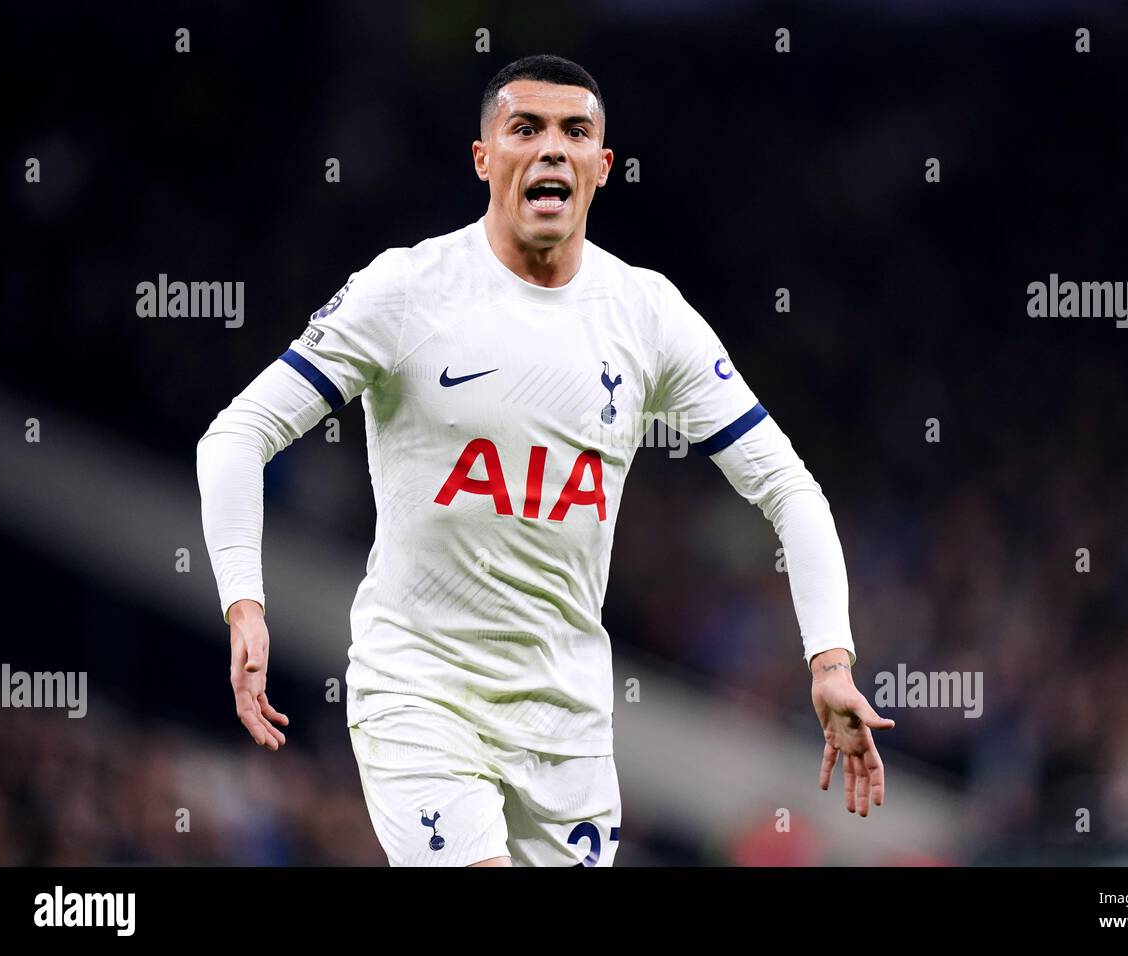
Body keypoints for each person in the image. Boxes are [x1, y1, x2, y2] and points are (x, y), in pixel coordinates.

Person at [197, 54, 893, 867]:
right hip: (420, 694)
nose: (552, 149)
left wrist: (830, 659)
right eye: (525, 129)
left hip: (567, 724)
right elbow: (237, 434)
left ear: (602, 166)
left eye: (576, 132)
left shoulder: (646, 313)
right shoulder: (409, 289)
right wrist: (244, 602)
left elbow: (790, 490)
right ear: (484, 157)